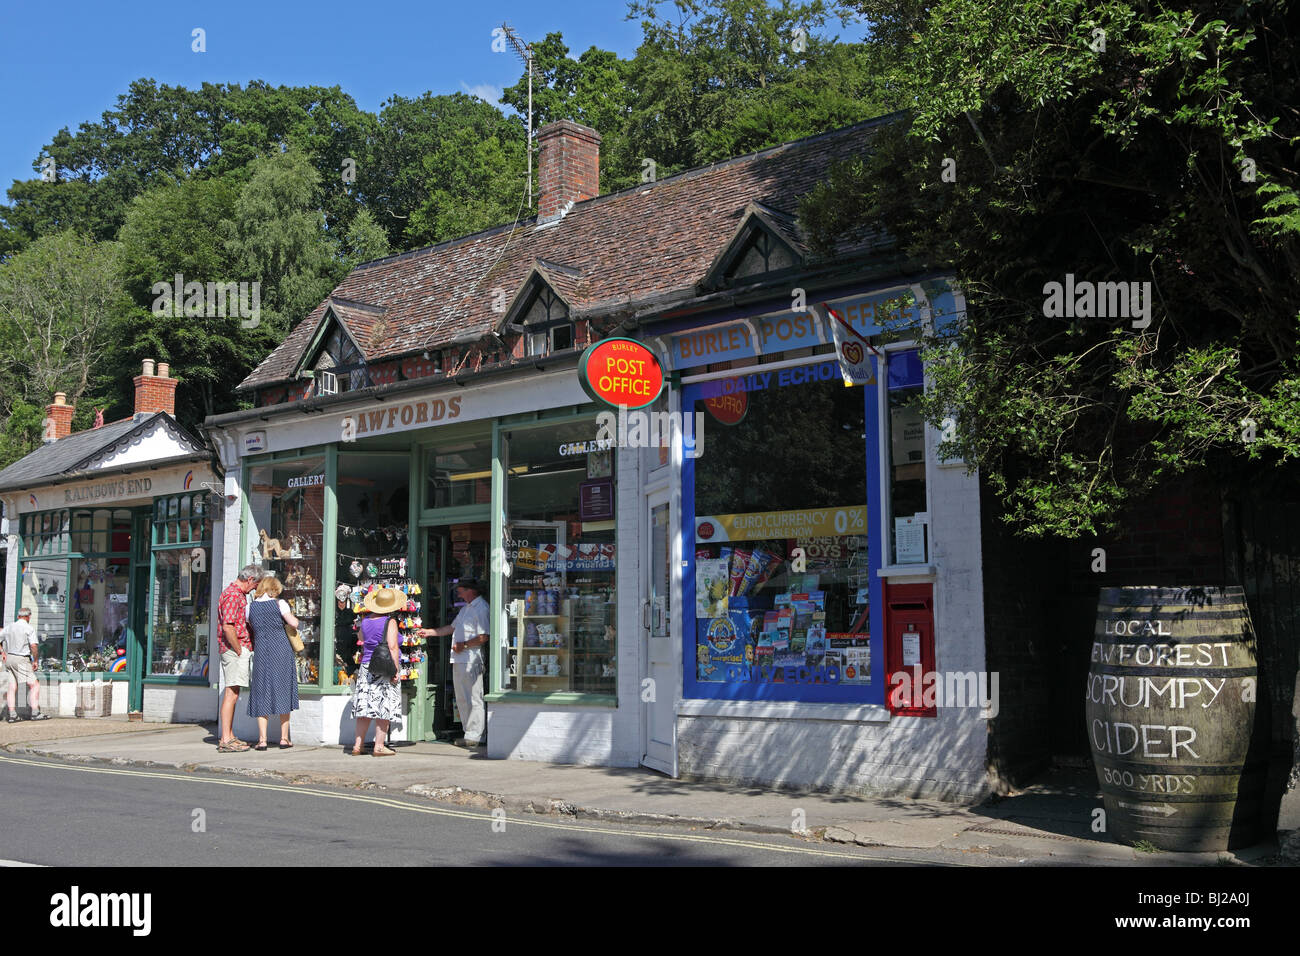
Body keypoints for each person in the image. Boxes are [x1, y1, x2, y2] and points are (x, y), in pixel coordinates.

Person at [420, 578, 488, 749]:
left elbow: (484, 636)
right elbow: (452, 628)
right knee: (463, 698)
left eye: (461, 590)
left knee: (473, 697)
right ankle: (469, 733)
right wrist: (429, 632)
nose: (458, 594)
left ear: (470, 591)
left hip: (471, 659)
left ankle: (477, 735)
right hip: (459, 659)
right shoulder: (466, 608)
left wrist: (464, 645)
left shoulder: (481, 608)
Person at [246, 574, 300, 750]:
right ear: (275, 589)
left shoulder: (250, 607)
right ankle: (284, 739)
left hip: (262, 650)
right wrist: (294, 619)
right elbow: (294, 623)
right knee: (283, 688)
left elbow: (250, 625)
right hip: (281, 650)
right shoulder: (280, 604)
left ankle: (262, 740)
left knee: (261, 690)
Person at [351, 587, 403, 757]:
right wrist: (395, 670)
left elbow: (361, 639)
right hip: (385, 667)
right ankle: (379, 746)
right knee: (384, 707)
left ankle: (358, 746)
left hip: (367, 666)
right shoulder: (390, 622)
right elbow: (393, 647)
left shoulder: (365, 621)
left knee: (365, 707)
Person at [217, 564, 261, 752]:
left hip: (237, 648)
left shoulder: (237, 594)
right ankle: (225, 739)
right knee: (231, 693)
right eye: (256, 584)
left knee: (234, 691)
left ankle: (230, 735)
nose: (255, 588)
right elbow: (228, 626)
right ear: (250, 579)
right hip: (234, 649)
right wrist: (239, 650)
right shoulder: (233, 595)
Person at [1, 609, 49, 721]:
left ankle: (12, 715)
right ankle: (35, 713)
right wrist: (36, 660)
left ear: (18, 616)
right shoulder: (29, 628)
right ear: (28, 616)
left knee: (12, 687)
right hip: (21, 659)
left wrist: (3, 652)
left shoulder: (9, 627)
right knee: (35, 685)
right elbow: (33, 646)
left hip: (10, 658)